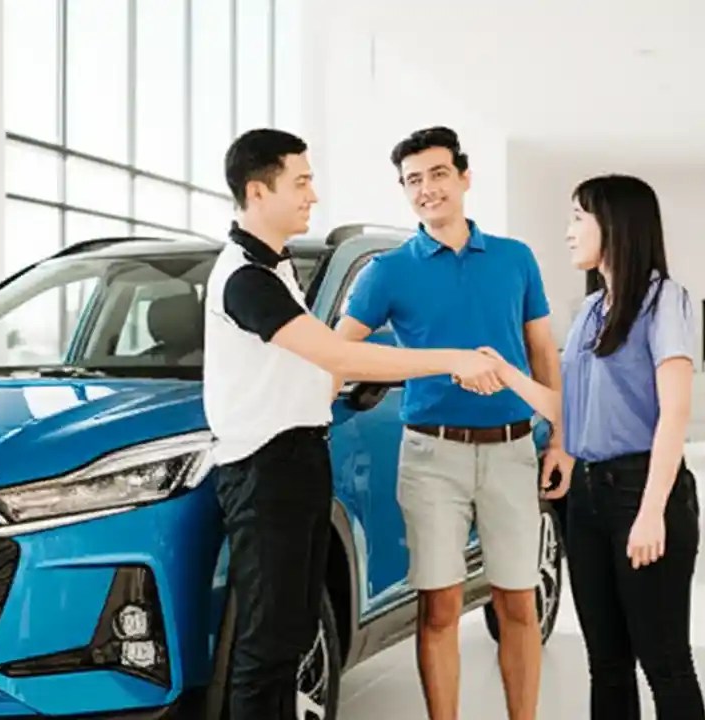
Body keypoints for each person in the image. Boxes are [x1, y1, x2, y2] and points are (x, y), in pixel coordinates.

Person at [204, 128, 504, 719]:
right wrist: (451, 360)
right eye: (302, 181)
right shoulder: (246, 278)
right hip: (265, 473)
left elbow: (316, 370)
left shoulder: (274, 266)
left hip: (296, 463)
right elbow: (340, 356)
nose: (313, 194)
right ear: (258, 192)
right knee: (266, 645)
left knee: (290, 636)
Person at [334, 126, 572, 720]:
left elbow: (543, 349)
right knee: (437, 609)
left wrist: (560, 440)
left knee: (518, 603)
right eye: (414, 180)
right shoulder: (387, 273)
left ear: (464, 177)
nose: (427, 189)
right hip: (430, 458)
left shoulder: (515, 259)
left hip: (513, 450)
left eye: (438, 174)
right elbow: (339, 353)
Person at [481, 174, 705, 719]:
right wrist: (506, 374)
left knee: (666, 662)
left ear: (617, 225)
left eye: (578, 218)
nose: (568, 232)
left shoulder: (662, 299)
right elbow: (571, 412)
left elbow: (674, 410)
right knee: (605, 662)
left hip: (641, 491)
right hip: (586, 500)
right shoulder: (588, 313)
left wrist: (653, 511)